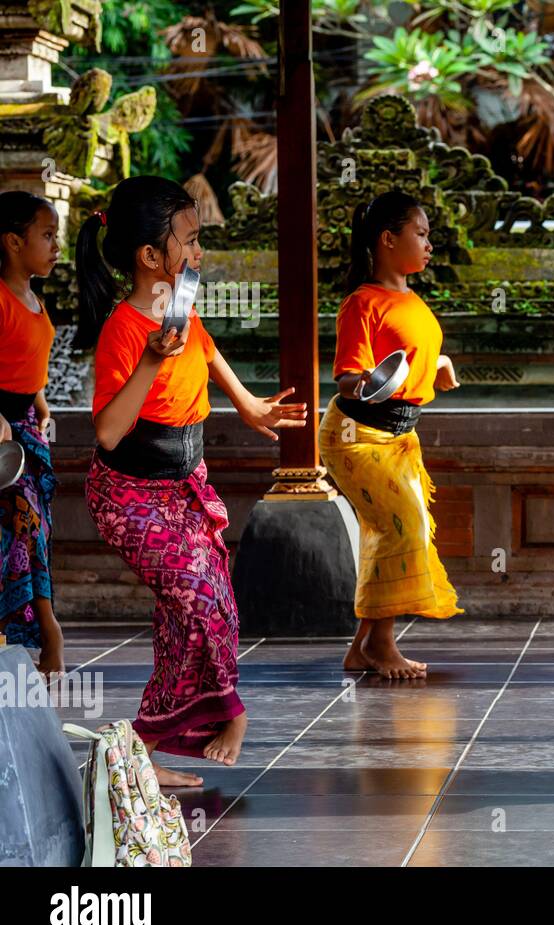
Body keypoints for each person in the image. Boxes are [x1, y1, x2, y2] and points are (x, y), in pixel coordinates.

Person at [76, 176, 307, 787]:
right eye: (191, 241)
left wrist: (251, 406)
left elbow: (205, 353)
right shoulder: (124, 331)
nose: (199, 254)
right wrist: (151, 360)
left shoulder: (178, 309)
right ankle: (230, 712)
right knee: (201, 600)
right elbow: (107, 432)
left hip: (185, 483)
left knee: (201, 609)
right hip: (130, 495)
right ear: (151, 256)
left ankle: (145, 751)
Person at [319, 191, 465, 680]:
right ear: (388, 239)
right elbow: (347, 377)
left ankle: (363, 646)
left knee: (398, 526)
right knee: (404, 525)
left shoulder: (411, 297)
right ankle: (381, 644)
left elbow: (413, 351)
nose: (428, 244)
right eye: (420, 234)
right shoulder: (362, 303)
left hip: (398, 436)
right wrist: (366, 382)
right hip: (356, 434)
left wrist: (438, 367)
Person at [0, 191, 64, 674]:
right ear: (13, 242)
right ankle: (48, 632)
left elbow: (30, 367)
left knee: (33, 534)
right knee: (27, 529)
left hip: (26, 430)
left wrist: (41, 404)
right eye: (46, 235)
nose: (55, 244)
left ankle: (36, 632)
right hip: (1, 435)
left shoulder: (35, 300)